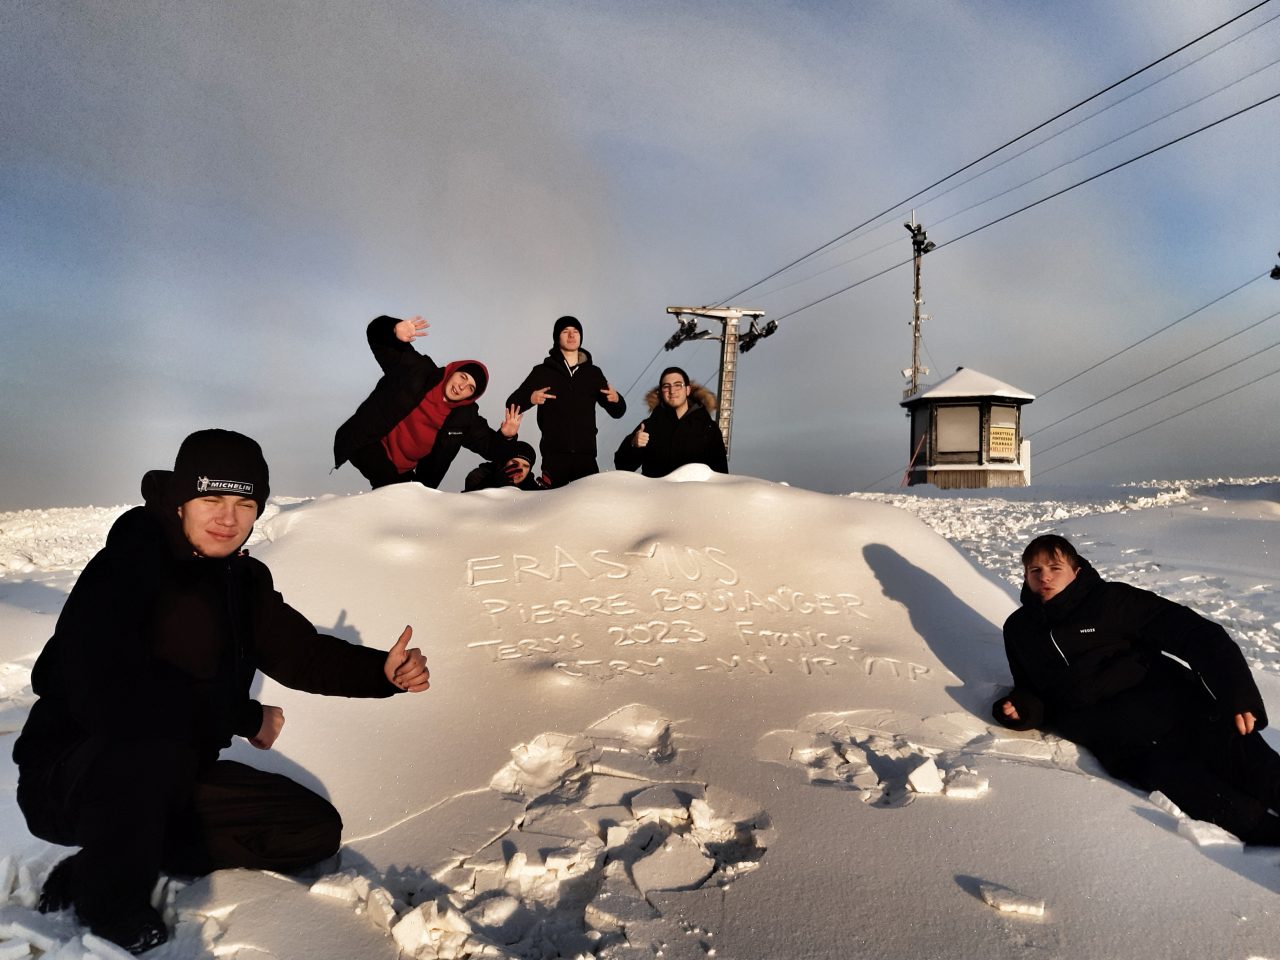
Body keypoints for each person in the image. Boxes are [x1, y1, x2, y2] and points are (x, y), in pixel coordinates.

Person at [13, 429, 431, 954]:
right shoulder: (130, 564)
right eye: (211, 498)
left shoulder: (243, 581)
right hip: (72, 774)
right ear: (181, 500)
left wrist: (381, 673)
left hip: (165, 774)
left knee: (308, 829)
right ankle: (109, 903)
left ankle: (107, 856)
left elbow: (300, 652)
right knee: (150, 742)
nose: (227, 517)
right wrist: (242, 715)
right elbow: (105, 692)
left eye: (244, 503)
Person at [992, 533, 1280, 844]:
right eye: (1035, 571)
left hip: (1179, 707)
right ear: (1025, 576)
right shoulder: (1019, 629)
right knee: (1217, 803)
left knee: (1256, 766)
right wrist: (1023, 709)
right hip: (1122, 741)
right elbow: (1032, 687)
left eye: (1055, 568)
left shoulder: (1110, 601)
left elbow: (1197, 634)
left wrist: (1235, 693)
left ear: (1076, 571)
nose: (1045, 577)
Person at [335, 315, 522, 490]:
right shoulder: (415, 370)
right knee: (390, 489)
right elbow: (376, 336)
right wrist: (393, 329)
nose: (462, 387)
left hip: (404, 471)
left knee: (408, 509)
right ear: (453, 370)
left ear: (471, 396)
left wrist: (507, 437)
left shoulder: (464, 416)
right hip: (369, 442)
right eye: (463, 377)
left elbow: (490, 448)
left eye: (470, 388)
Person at [505, 315, 626, 486]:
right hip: (554, 457)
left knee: (588, 508)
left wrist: (616, 400)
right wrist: (531, 398)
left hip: (586, 457)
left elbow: (618, 412)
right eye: (565, 331)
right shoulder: (542, 371)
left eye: (576, 331)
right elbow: (512, 403)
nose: (571, 335)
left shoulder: (593, 373)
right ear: (557, 337)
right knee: (553, 509)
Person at [614, 366, 728, 478]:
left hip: (695, 495)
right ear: (661, 392)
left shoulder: (708, 428)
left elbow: (721, 475)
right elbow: (622, 465)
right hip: (656, 494)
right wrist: (633, 445)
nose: (672, 391)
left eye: (678, 385)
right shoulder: (650, 426)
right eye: (666, 386)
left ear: (687, 390)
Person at [463, 440, 548, 492]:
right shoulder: (479, 475)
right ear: (505, 461)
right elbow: (469, 501)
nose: (519, 469)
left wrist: (547, 493)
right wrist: (494, 483)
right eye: (514, 463)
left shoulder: (531, 487)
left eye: (525, 466)